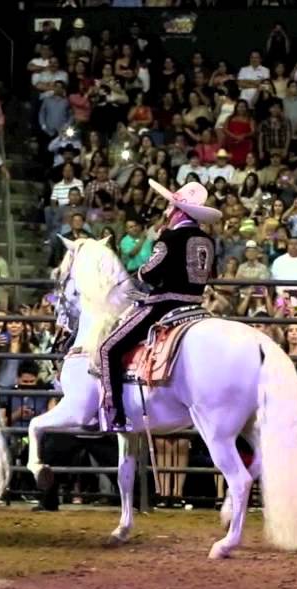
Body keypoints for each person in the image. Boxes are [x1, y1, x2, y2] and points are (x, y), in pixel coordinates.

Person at [98, 180, 219, 431]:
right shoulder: (207, 240)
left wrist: (141, 271)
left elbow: (149, 274)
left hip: (165, 306)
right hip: (197, 306)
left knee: (109, 348)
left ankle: (116, 414)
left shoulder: (170, 237)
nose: (166, 212)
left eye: (169, 208)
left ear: (179, 212)